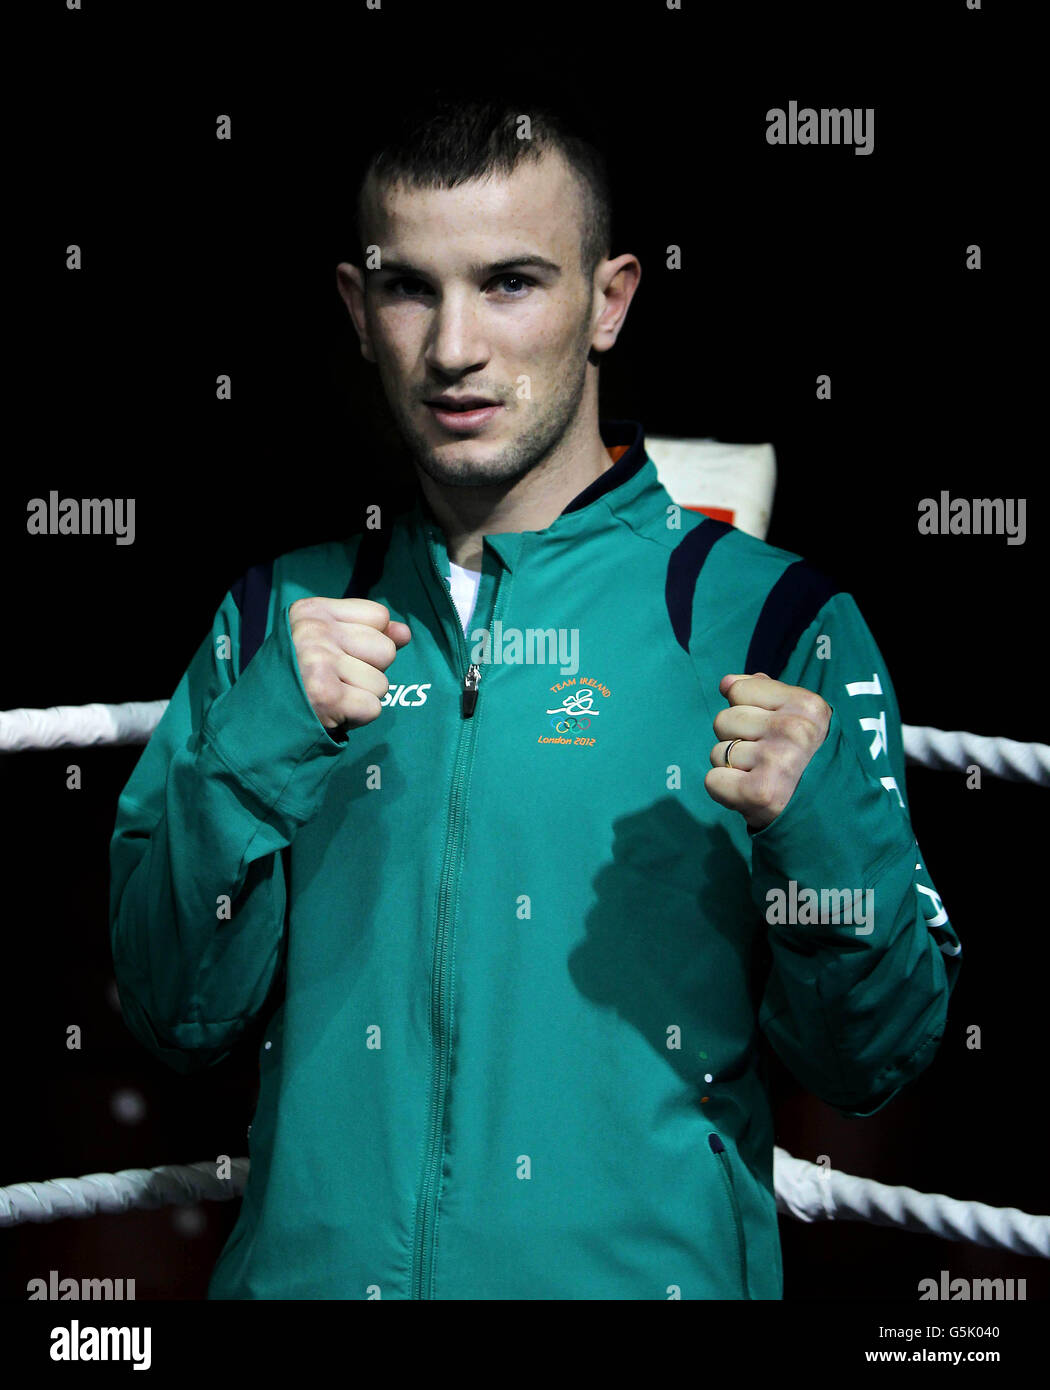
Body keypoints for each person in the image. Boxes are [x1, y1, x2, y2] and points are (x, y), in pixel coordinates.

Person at [108, 90, 961, 1300]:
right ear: (358, 309)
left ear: (608, 300)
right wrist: (252, 752)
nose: (454, 346)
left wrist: (819, 825)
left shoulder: (770, 621)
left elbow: (874, 1055)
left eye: (511, 282)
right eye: (410, 287)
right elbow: (170, 1014)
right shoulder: (272, 619)